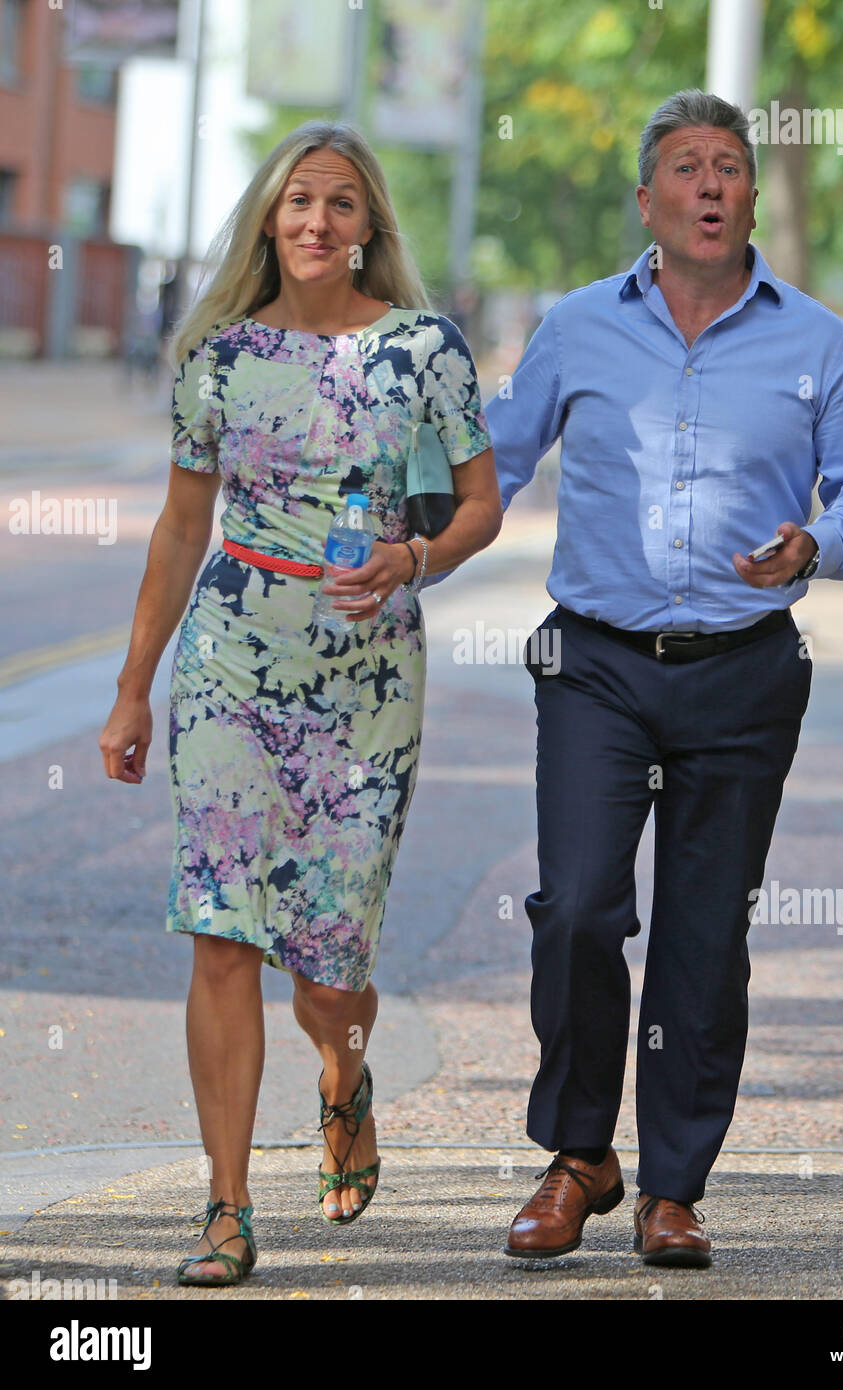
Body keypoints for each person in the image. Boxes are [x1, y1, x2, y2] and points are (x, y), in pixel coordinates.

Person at [485, 89, 843, 1267]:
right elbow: (492, 470)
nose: (712, 183)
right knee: (575, 907)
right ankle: (579, 1155)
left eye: (729, 165)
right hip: (596, 666)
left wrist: (816, 546)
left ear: (751, 197)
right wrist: (402, 555)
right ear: (647, 198)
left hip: (744, 670)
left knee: (704, 936)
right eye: (687, 165)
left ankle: (674, 1184)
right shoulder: (575, 326)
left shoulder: (816, 340)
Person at [98, 120, 500, 1285]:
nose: (316, 222)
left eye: (338, 203)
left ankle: (343, 1072)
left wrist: (413, 562)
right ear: (268, 221)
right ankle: (224, 1206)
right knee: (221, 931)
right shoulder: (218, 356)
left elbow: (477, 505)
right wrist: (134, 690)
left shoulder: (424, 349)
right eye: (296, 203)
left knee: (329, 968)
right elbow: (181, 529)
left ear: (369, 224)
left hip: (369, 671)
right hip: (230, 652)